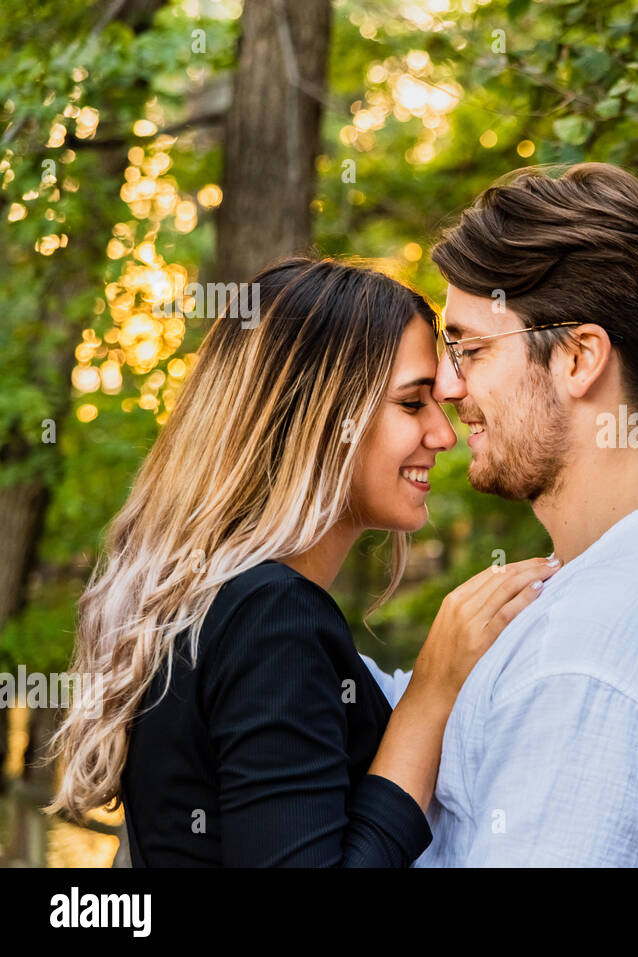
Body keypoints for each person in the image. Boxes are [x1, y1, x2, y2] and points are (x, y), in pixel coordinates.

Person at [47, 257, 558, 866]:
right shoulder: (271, 614)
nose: (443, 434)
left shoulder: (221, 603)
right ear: (320, 418)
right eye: (411, 403)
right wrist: (431, 694)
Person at [370, 162, 638, 866]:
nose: (449, 385)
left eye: (471, 347)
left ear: (579, 357)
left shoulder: (589, 659)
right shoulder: (626, 569)